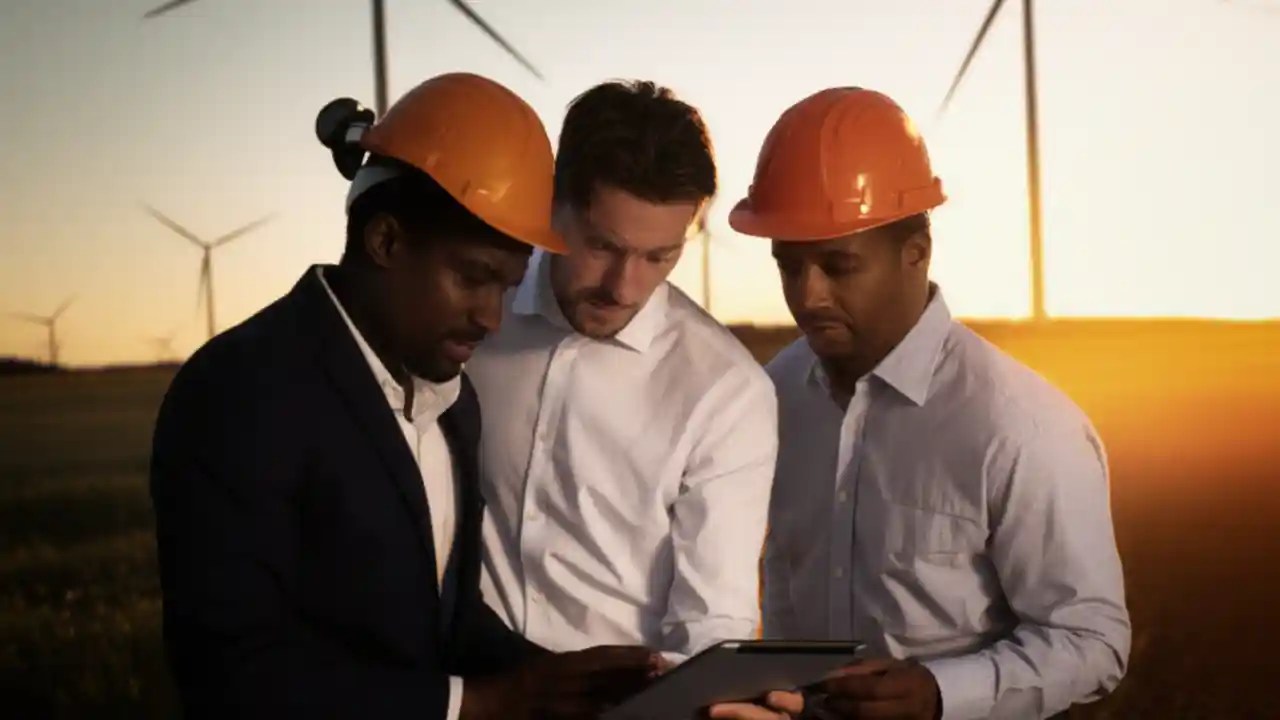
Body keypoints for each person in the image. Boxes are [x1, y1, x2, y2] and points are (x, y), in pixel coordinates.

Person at [148, 72, 659, 720]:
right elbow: (230, 675)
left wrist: (555, 678)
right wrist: (479, 703)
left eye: (506, 286)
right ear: (385, 241)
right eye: (474, 278)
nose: (493, 317)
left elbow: (444, 621)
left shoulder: (453, 404)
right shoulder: (240, 393)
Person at [710, 87, 1131, 719]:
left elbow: (1092, 642)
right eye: (788, 266)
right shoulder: (772, 394)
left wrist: (940, 694)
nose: (808, 295)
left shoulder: (1023, 429)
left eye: (837, 265)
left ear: (916, 252)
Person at [464, 80, 777, 663]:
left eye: (659, 256)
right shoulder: (473, 311)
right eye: (602, 246)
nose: (623, 287)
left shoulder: (727, 393)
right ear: (551, 203)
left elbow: (713, 624)